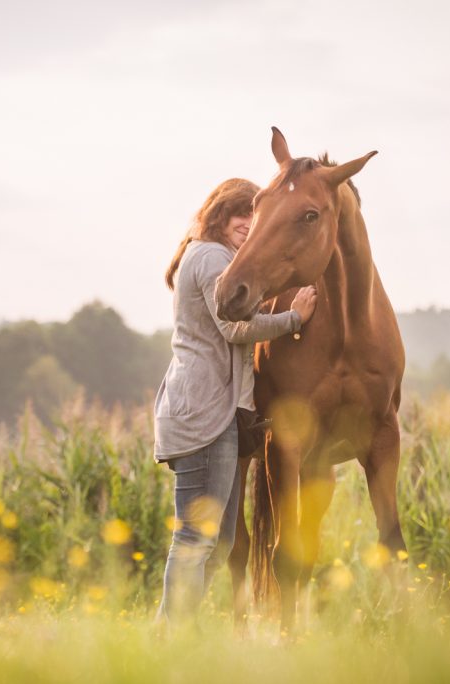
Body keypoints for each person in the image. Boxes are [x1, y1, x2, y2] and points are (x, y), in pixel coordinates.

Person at [152, 177, 318, 631]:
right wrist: (293, 318)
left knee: (220, 540)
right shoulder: (209, 257)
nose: (249, 223)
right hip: (202, 413)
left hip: (213, 412)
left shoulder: (217, 255)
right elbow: (234, 328)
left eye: (254, 215)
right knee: (195, 538)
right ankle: (168, 638)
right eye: (241, 214)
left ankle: (174, 633)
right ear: (219, 215)